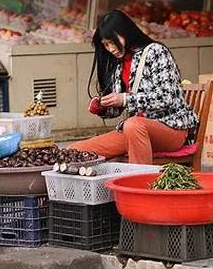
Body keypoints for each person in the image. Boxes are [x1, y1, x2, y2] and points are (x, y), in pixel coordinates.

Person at [69, 10, 198, 164]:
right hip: (134, 131)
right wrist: (103, 107)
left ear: (125, 32)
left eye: (112, 41)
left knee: (133, 125)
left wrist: (124, 98)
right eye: (105, 45)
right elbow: (121, 106)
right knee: (74, 151)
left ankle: (138, 184)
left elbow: (167, 97)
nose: (110, 48)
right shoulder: (120, 62)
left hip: (171, 129)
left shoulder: (156, 52)